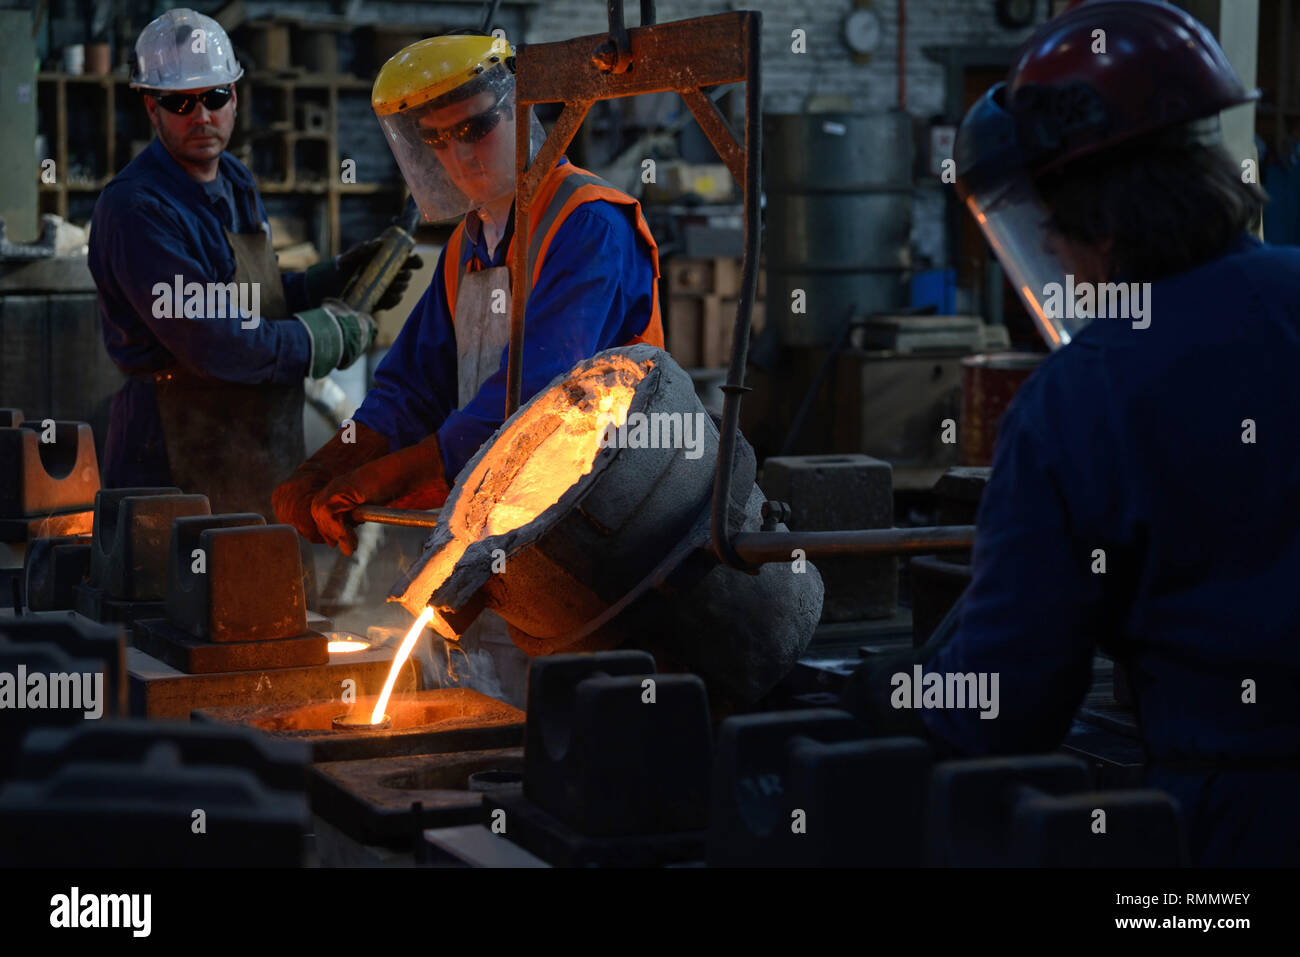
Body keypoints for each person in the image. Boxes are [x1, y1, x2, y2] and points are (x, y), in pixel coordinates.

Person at [840, 0, 1300, 866]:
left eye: (1047, 231)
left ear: (1092, 218)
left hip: (1228, 830)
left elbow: (1009, 703)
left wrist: (884, 693)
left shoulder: (1084, 395)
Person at [273, 33, 663, 555]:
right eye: (437, 140)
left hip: (605, 515)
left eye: (474, 127)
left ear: (518, 112)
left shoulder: (587, 223)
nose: (459, 156)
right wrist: (331, 463)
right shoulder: (469, 242)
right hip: (502, 512)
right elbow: (410, 386)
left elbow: (536, 395)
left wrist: (394, 474)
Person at [88, 8, 417, 517]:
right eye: (179, 102)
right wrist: (315, 339)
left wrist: (327, 279)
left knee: (269, 587)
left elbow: (244, 296)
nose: (201, 116)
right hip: (168, 452)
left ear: (235, 97)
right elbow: (215, 340)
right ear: (151, 109)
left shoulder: (235, 179)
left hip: (255, 442)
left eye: (215, 97)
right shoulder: (137, 208)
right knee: (173, 588)